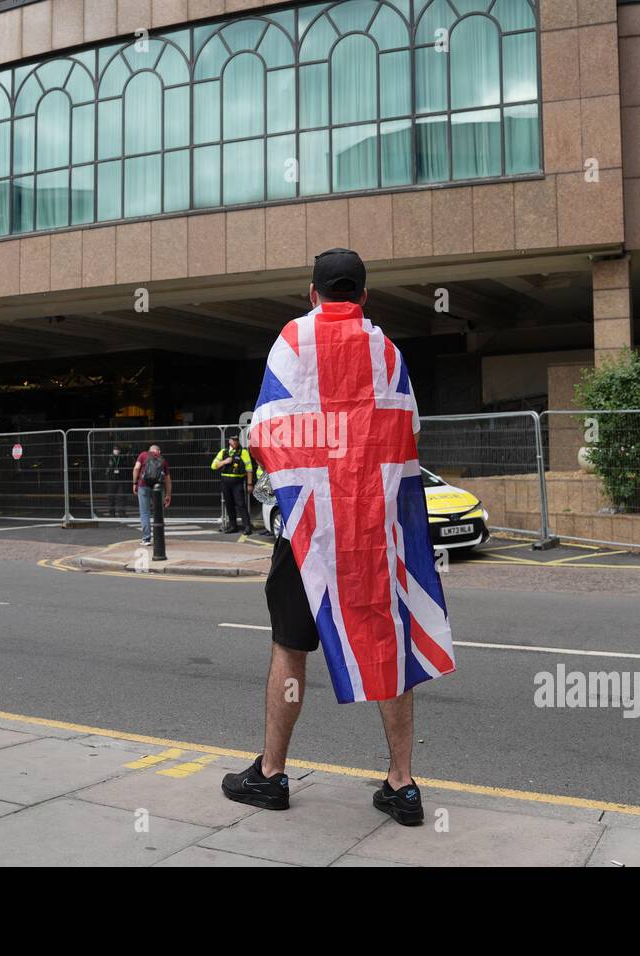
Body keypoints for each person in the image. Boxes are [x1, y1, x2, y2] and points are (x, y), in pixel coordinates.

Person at [221, 248, 456, 827]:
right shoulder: (386, 351)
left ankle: (272, 776)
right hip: (374, 531)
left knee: (289, 647)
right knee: (389, 645)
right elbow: (409, 430)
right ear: (365, 296)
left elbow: (263, 435)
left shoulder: (292, 344)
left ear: (312, 293)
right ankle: (402, 786)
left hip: (309, 533)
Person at [211, 433, 253, 534]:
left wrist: (249, 483)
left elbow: (249, 469)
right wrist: (224, 462)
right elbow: (213, 466)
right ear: (229, 441)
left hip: (237, 482)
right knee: (229, 504)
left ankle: (247, 526)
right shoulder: (223, 452)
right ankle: (233, 526)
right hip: (225, 482)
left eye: (237, 441)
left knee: (240, 504)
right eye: (233, 440)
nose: (235, 442)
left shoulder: (243, 452)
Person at [131, 444, 171, 545]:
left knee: (145, 513)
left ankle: (146, 539)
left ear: (150, 450)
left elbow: (136, 469)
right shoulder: (163, 460)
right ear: (159, 451)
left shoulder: (143, 455)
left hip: (143, 486)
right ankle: (159, 537)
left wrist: (135, 483)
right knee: (158, 512)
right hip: (158, 488)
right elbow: (167, 479)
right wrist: (168, 495)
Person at [105, 443, 132, 518]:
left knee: (121, 496)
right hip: (111, 480)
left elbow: (126, 467)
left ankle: (122, 512)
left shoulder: (122, 458)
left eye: (118, 449)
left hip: (120, 479)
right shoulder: (109, 457)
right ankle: (112, 513)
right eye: (115, 449)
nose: (116, 451)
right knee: (111, 496)